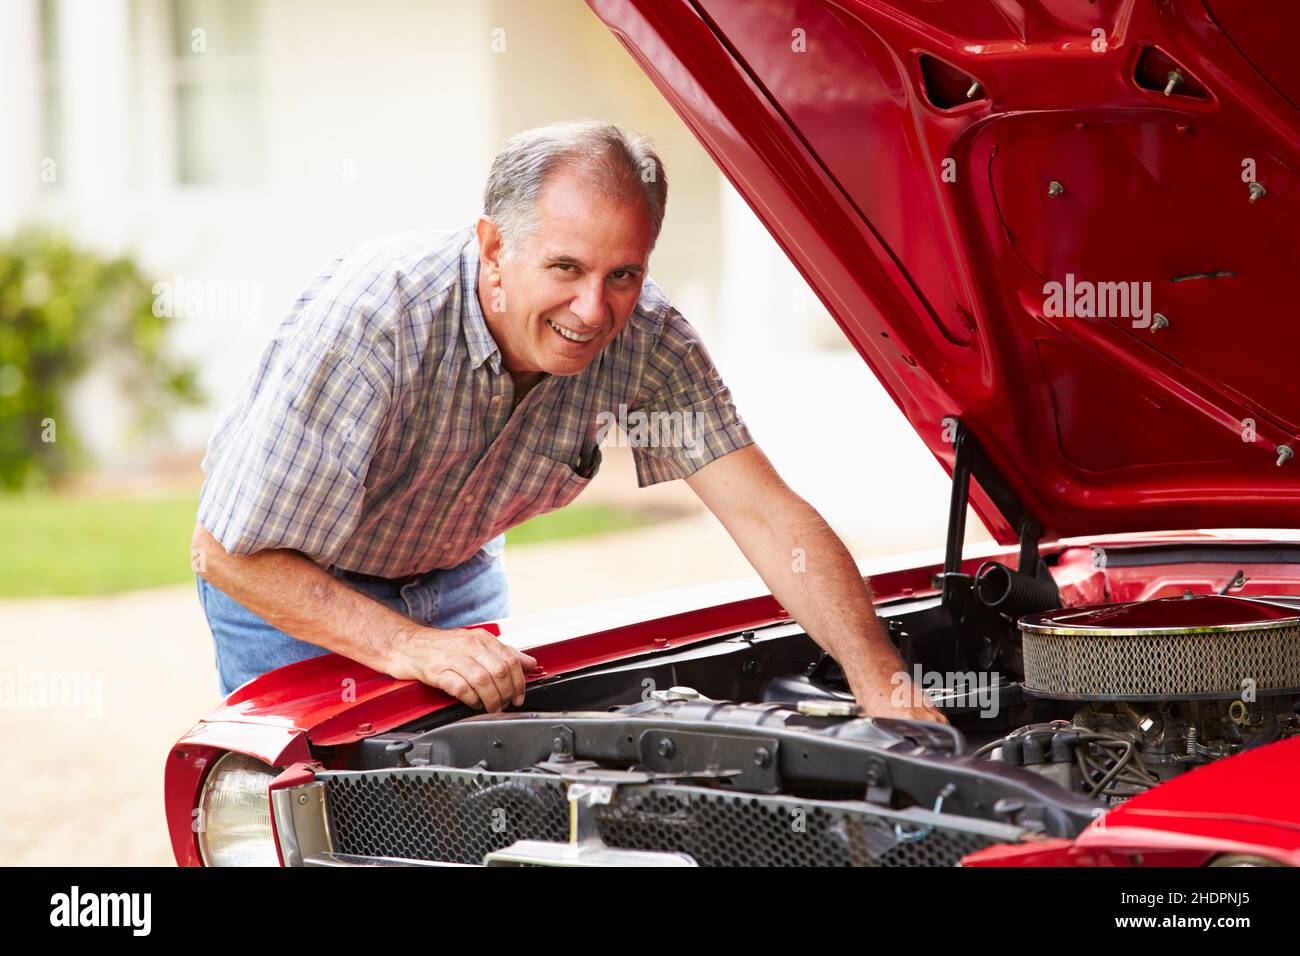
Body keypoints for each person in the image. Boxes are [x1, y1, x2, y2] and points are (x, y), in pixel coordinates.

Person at [192, 119, 945, 723]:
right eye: (566, 269)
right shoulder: (374, 321)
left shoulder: (649, 343)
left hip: (455, 578)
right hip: (293, 585)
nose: (595, 311)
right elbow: (228, 554)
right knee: (309, 813)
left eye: (624, 274)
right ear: (494, 248)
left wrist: (883, 684)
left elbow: (767, 514)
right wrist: (407, 646)